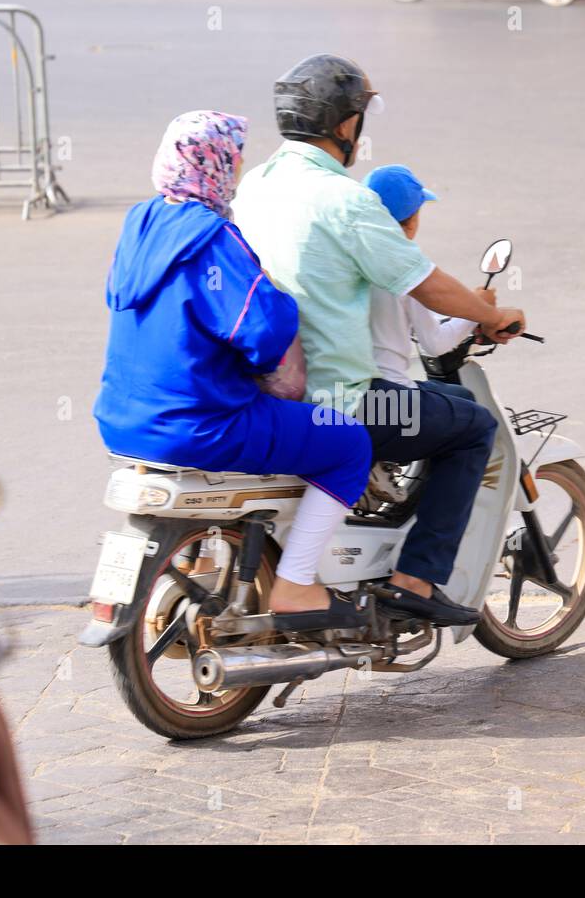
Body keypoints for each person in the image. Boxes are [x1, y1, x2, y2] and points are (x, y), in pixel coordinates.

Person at [232, 54, 527, 627]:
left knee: (451, 408)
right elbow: (428, 285)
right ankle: (414, 580)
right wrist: (491, 315)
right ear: (346, 125)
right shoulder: (344, 199)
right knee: (474, 429)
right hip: (346, 400)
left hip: (271, 392)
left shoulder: (255, 187)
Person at [93, 110, 370, 622]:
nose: (240, 169)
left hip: (122, 422)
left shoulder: (141, 224)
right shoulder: (213, 239)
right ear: (215, 162)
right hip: (199, 426)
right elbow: (264, 330)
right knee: (349, 442)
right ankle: (295, 585)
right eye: (236, 157)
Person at [363, 163, 484, 398]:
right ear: (411, 222)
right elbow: (435, 343)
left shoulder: (351, 255)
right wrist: (476, 310)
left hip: (344, 391)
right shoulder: (405, 267)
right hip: (389, 396)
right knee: (477, 418)